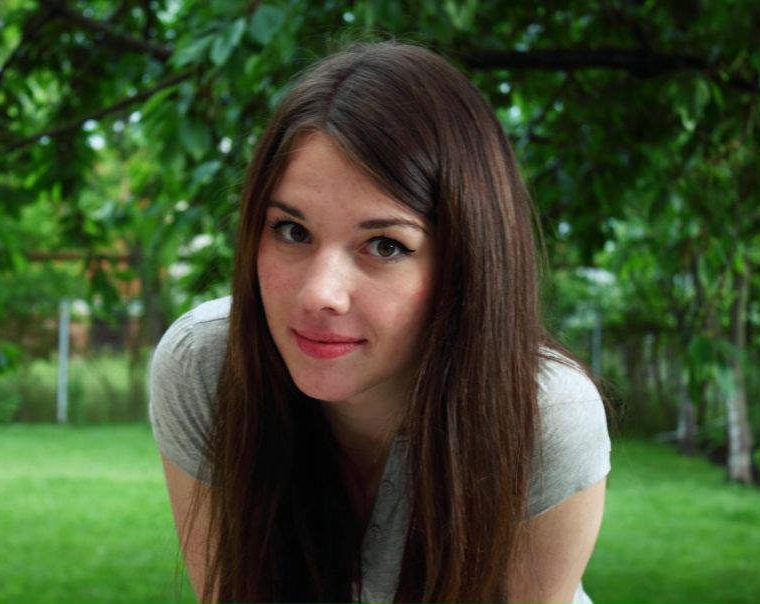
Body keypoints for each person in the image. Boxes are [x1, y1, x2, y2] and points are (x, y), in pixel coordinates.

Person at [150, 41, 610, 604]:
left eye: (385, 246)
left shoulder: (546, 414)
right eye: (293, 231)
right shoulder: (205, 365)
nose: (320, 294)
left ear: (466, 264)